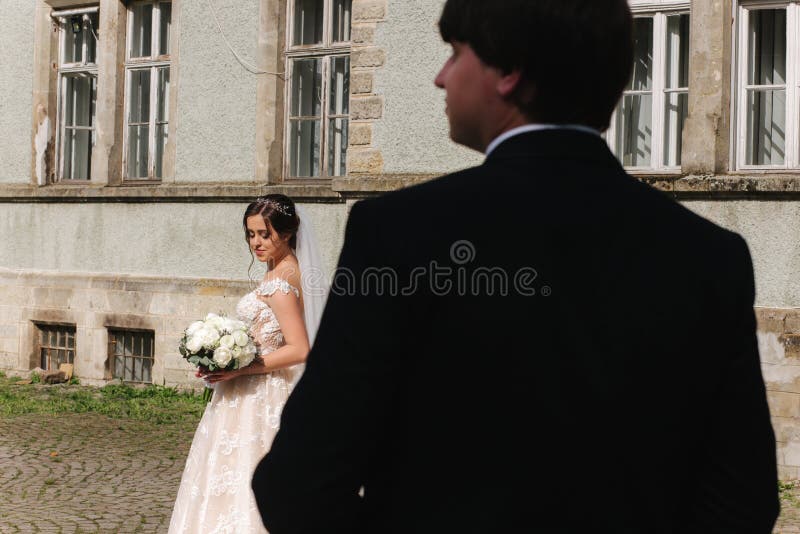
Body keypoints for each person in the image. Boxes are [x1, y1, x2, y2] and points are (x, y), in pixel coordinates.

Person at [252, 1, 780, 532]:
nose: (440, 78)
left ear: (509, 74)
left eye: (456, 54)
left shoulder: (399, 233)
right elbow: (742, 501)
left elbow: (299, 484)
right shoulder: (710, 255)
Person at [168, 194, 328, 533]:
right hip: (254, 385)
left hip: (262, 393)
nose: (256, 242)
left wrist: (242, 367)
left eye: (264, 234)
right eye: (251, 234)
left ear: (286, 233)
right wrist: (220, 354)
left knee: (247, 470)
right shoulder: (282, 270)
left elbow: (301, 349)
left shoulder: (282, 283)